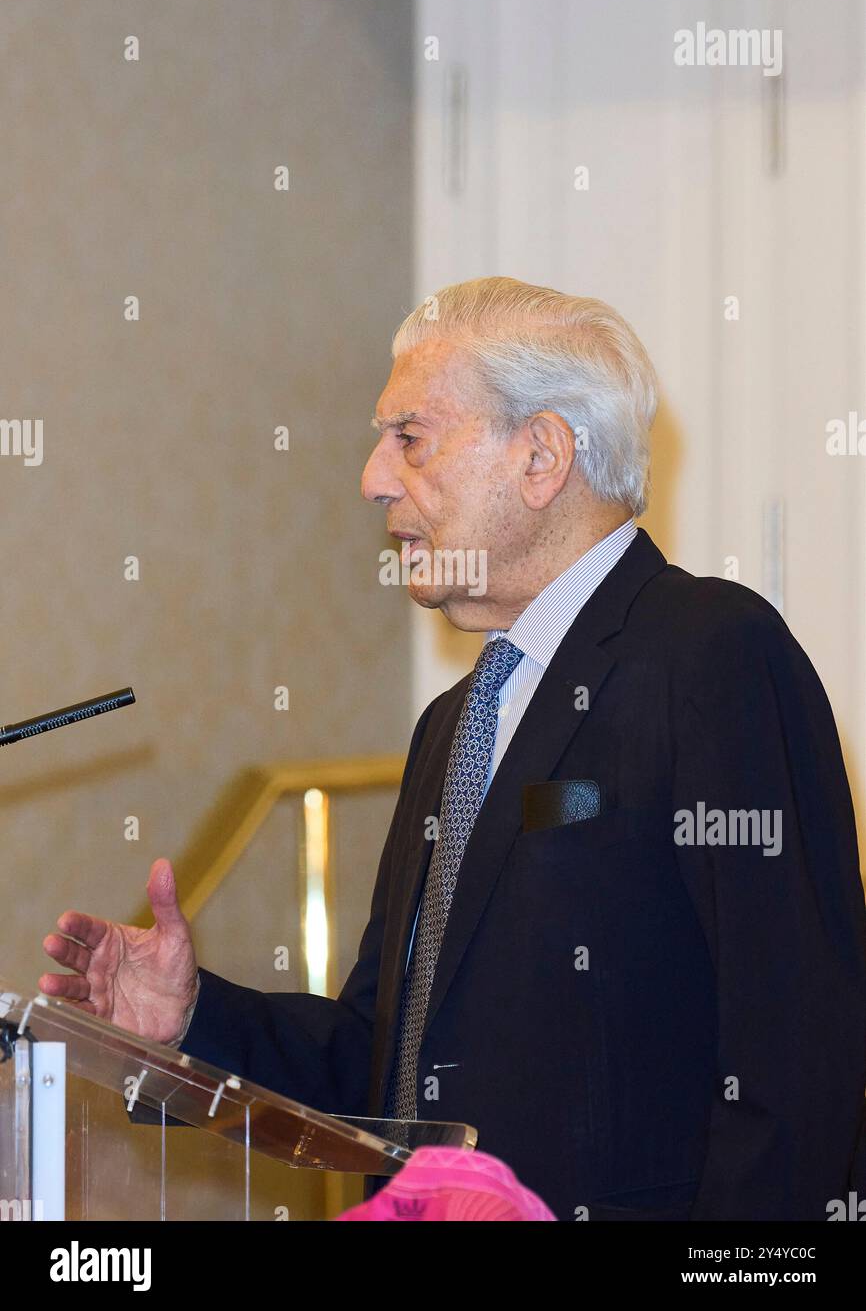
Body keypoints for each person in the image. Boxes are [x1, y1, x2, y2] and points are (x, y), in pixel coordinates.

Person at [41, 277, 866, 1221]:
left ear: (541, 455)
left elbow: (798, 1054)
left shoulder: (711, 651)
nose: (373, 478)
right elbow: (383, 1061)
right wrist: (188, 1024)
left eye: (410, 438)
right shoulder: (455, 722)